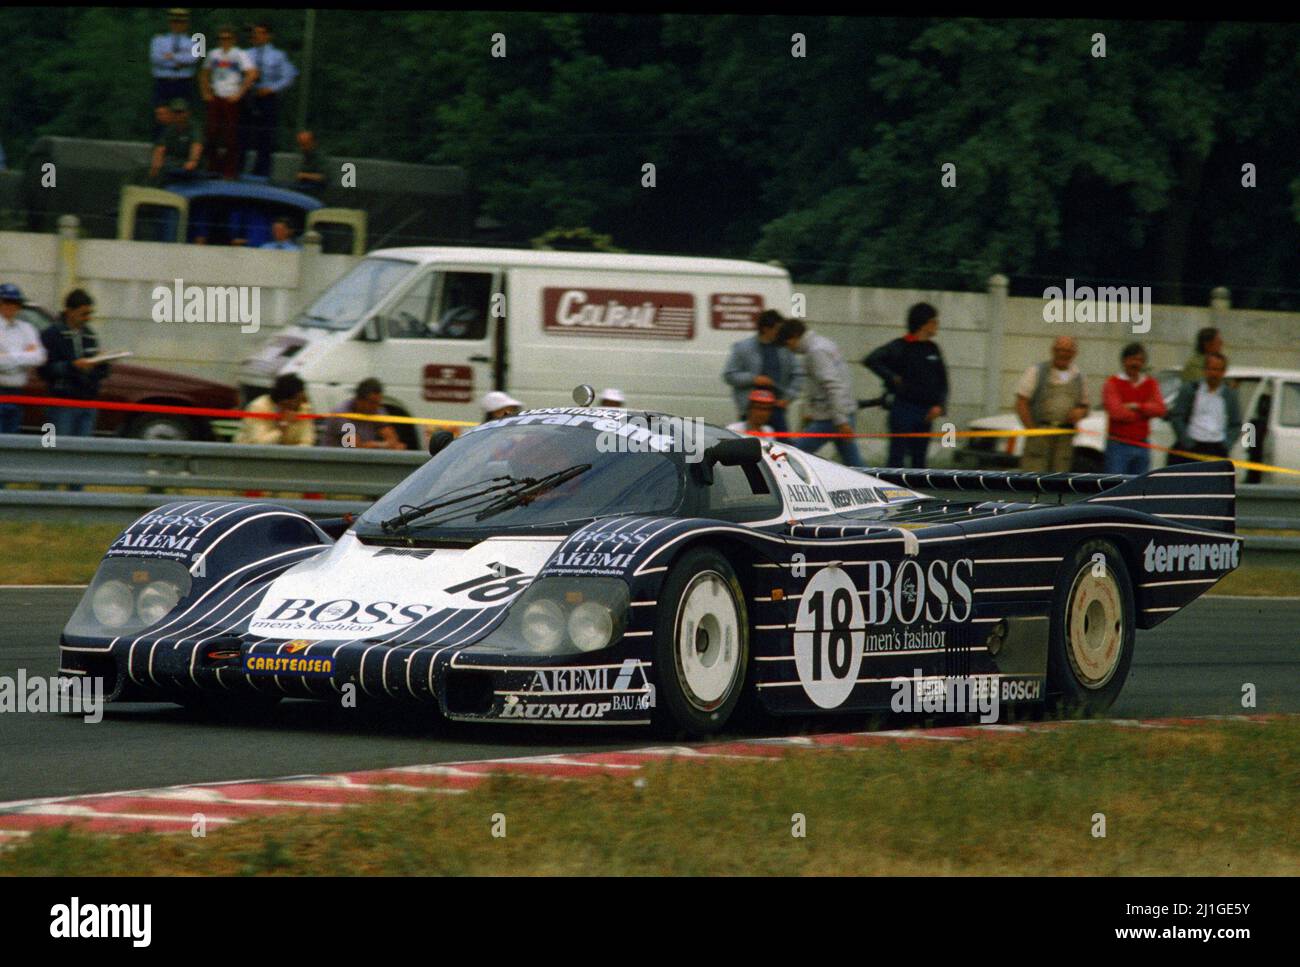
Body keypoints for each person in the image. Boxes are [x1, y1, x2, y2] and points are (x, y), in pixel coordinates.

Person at [864, 302, 949, 468]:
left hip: (926, 411)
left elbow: (943, 380)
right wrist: (892, 378)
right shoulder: (900, 346)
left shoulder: (933, 349)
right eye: (934, 321)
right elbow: (872, 359)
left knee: (919, 460)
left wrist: (940, 405)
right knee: (897, 458)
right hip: (904, 408)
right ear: (924, 323)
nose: (936, 325)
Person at [777, 318, 863, 467]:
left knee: (794, 454)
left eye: (787, 343)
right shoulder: (823, 344)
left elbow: (833, 385)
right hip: (838, 413)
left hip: (831, 417)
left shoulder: (815, 352)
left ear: (794, 337)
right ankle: (874, 484)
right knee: (854, 464)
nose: (789, 348)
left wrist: (841, 420)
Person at [38, 289, 110, 438]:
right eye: (83, 314)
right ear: (70, 311)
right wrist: (73, 367)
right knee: (58, 448)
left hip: (88, 401)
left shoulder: (89, 334)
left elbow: (100, 370)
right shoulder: (52, 335)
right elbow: (44, 370)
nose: (87, 318)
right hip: (62, 403)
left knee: (82, 452)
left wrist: (102, 363)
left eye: (89, 314)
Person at [1014, 336, 1089, 473]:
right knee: (1034, 477)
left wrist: (1080, 411)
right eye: (1060, 350)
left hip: (1065, 438)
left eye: (1067, 350)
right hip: (1039, 434)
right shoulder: (1036, 371)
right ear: (1053, 350)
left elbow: (1085, 405)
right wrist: (1032, 431)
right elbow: (1021, 402)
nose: (1063, 354)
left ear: (1074, 353)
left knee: (1059, 480)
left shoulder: (1078, 376)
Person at [721, 309, 803, 434]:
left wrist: (788, 398)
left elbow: (798, 374)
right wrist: (753, 379)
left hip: (776, 408)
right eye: (777, 329)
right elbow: (729, 375)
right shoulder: (743, 347)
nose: (781, 333)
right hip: (751, 408)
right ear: (766, 329)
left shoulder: (784, 348)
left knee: (784, 444)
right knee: (750, 445)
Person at [199, 25, 257, 179]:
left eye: (227, 38)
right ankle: (213, 167)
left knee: (231, 136)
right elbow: (204, 73)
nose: (224, 41)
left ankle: (229, 170)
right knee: (211, 133)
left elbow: (251, 74)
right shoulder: (213, 54)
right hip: (216, 97)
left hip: (231, 98)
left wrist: (239, 93)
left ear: (233, 39)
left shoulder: (239, 54)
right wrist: (206, 92)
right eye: (221, 38)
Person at [242, 22, 297, 177]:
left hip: (267, 99)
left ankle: (261, 174)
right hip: (248, 97)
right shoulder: (246, 54)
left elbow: (289, 77)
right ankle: (239, 170)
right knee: (243, 135)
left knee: (265, 138)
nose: (256, 36)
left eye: (260, 33)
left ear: (268, 36)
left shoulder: (278, 55)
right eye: (254, 33)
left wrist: (271, 88)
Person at [1101, 342, 1166, 475]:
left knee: (1139, 487)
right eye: (1132, 359)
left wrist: (1137, 406)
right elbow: (1115, 412)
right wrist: (1144, 413)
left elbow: (1160, 409)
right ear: (1124, 360)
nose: (1136, 364)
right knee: (1115, 485)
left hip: (1142, 444)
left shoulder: (1150, 383)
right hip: (1118, 445)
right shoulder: (1112, 383)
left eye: (1140, 360)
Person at [1168, 353, 1241, 463]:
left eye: (1218, 370)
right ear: (1205, 370)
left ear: (1224, 372)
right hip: (1192, 446)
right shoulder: (1191, 390)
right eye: (1211, 369)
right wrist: (1187, 442)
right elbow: (1177, 416)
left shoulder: (1230, 395)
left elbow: (1236, 423)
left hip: (1217, 448)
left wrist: (1226, 444)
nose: (1214, 374)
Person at [0, 284, 47, 434]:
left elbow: (40, 357)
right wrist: (24, 356)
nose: (11, 306)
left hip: (17, 392)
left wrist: (8, 356)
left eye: (15, 303)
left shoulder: (26, 328)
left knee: (13, 440)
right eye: (6, 301)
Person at [323, 378, 405, 450]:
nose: (376, 407)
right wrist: (384, 445)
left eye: (378, 402)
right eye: (373, 403)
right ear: (360, 401)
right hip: (338, 460)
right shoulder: (341, 413)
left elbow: (392, 439)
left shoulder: (377, 410)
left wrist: (392, 445)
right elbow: (355, 446)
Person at [235, 373, 315, 445]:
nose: (303, 403)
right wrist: (283, 426)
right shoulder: (258, 407)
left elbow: (307, 441)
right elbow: (259, 444)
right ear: (286, 401)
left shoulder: (303, 409)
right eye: (299, 399)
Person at [149, 9, 198, 122]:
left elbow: (193, 59)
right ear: (170, 23)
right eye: (175, 22)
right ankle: (160, 139)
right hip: (163, 82)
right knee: (161, 115)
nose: (178, 25)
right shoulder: (159, 40)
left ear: (186, 23)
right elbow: (156, 58)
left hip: (183, 82)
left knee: (182, 116)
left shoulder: (193, 42)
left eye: (181, 22)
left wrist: (171, 56)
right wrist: (181, 59)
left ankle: (180, 139)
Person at [148, 99, 203, 183]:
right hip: (175, 164)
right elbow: (160, 148)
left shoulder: (194, 128)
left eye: (180, 112)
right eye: (175, 112)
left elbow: (196, 144)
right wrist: (155, 166)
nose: (178, 115)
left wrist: (193, 160)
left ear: (187, 113)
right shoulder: (170, 129)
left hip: (192, 167)